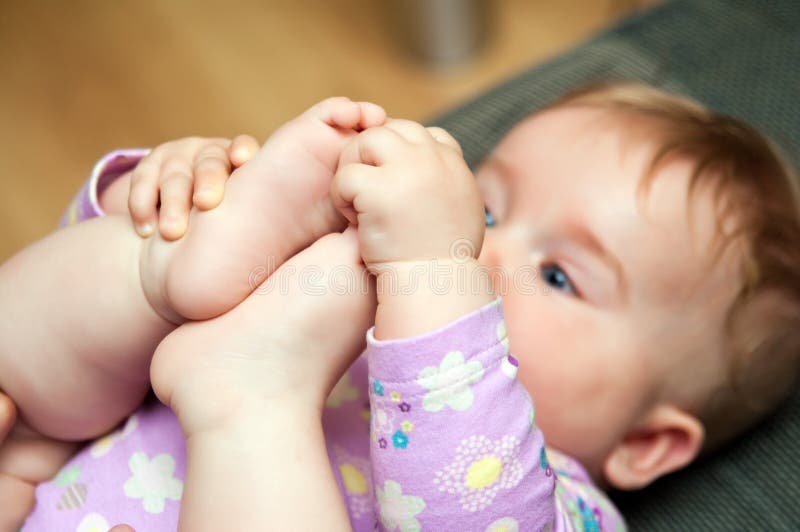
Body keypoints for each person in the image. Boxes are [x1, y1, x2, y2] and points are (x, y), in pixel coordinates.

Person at [6, 82, 800, 530]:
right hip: (35, 471)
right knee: (96, 306)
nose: (478, 248)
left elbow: (463, 510)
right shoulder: (314, 305)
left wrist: (435, 272)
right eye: (482, 209)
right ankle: (166, 265)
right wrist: (168, 198)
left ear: (648, 442)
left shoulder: (564, 505)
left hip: (257, 386)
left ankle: (253, 406)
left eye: (558, 276)